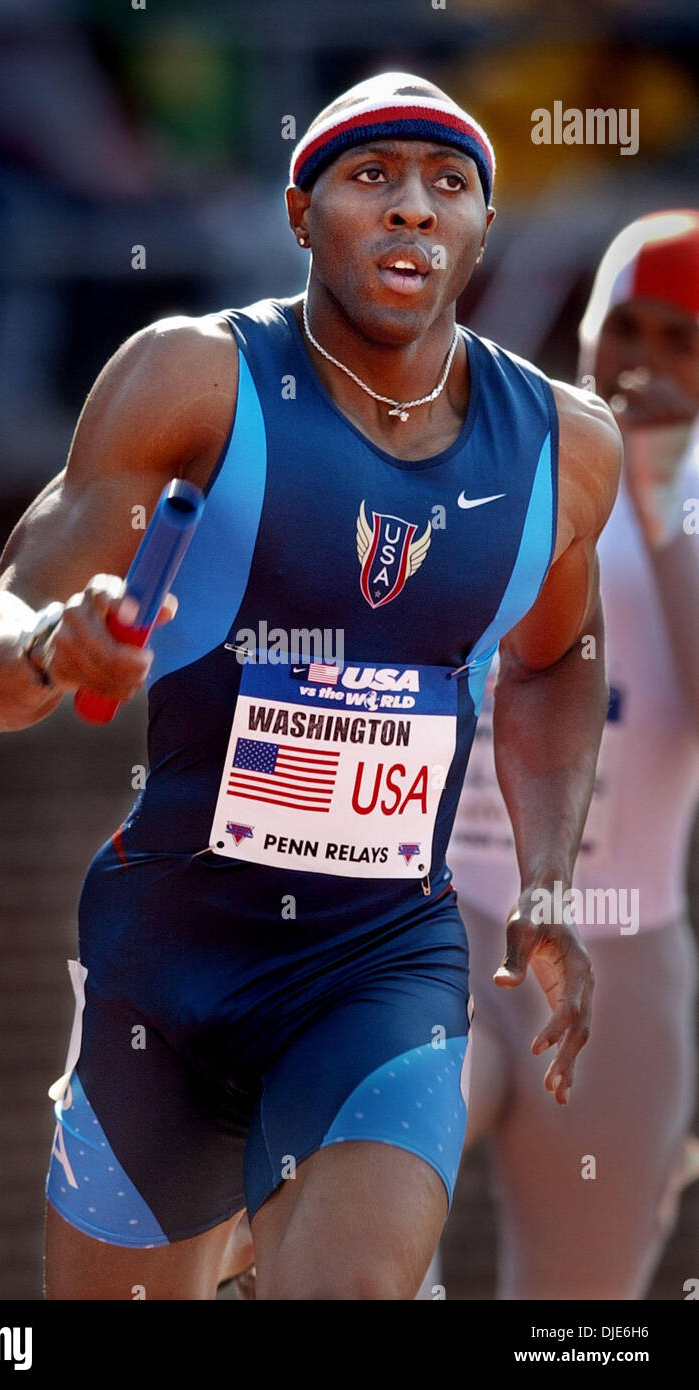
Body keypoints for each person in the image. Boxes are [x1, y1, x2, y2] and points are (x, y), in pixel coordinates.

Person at [0, 71, 620, 1301]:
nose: (413, 208)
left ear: (481, 232)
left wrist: (544, 877)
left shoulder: (565, 447)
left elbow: (554, 661)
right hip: (169, 961)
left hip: (379, 960)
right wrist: (57, 646)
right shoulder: (191, 380)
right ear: (300, 214)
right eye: (372, 178)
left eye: (448, 185)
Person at [447, 209, 699, 1300]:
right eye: (622, 329)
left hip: (623, 951)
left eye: (681, 339)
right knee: (353, 1197)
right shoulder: (500, 466)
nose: (642, 364)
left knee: (579, 1306)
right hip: (441, 925)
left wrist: (656, 501)